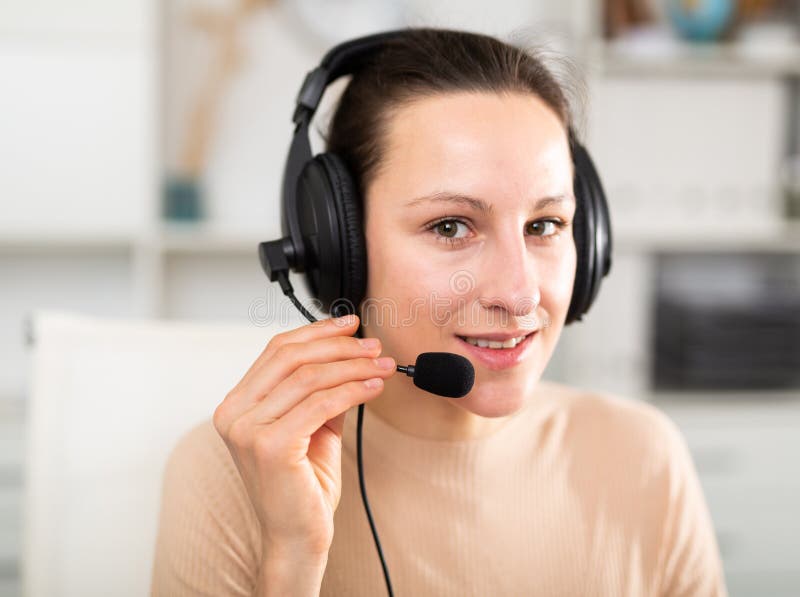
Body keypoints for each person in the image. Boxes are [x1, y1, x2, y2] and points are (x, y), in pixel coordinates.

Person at [150, 27, 727, 596]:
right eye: (450, 226)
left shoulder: (643, 456)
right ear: (336, 247)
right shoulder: (233, 473)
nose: (520, 295)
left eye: (545, 224)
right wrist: (293, 557)